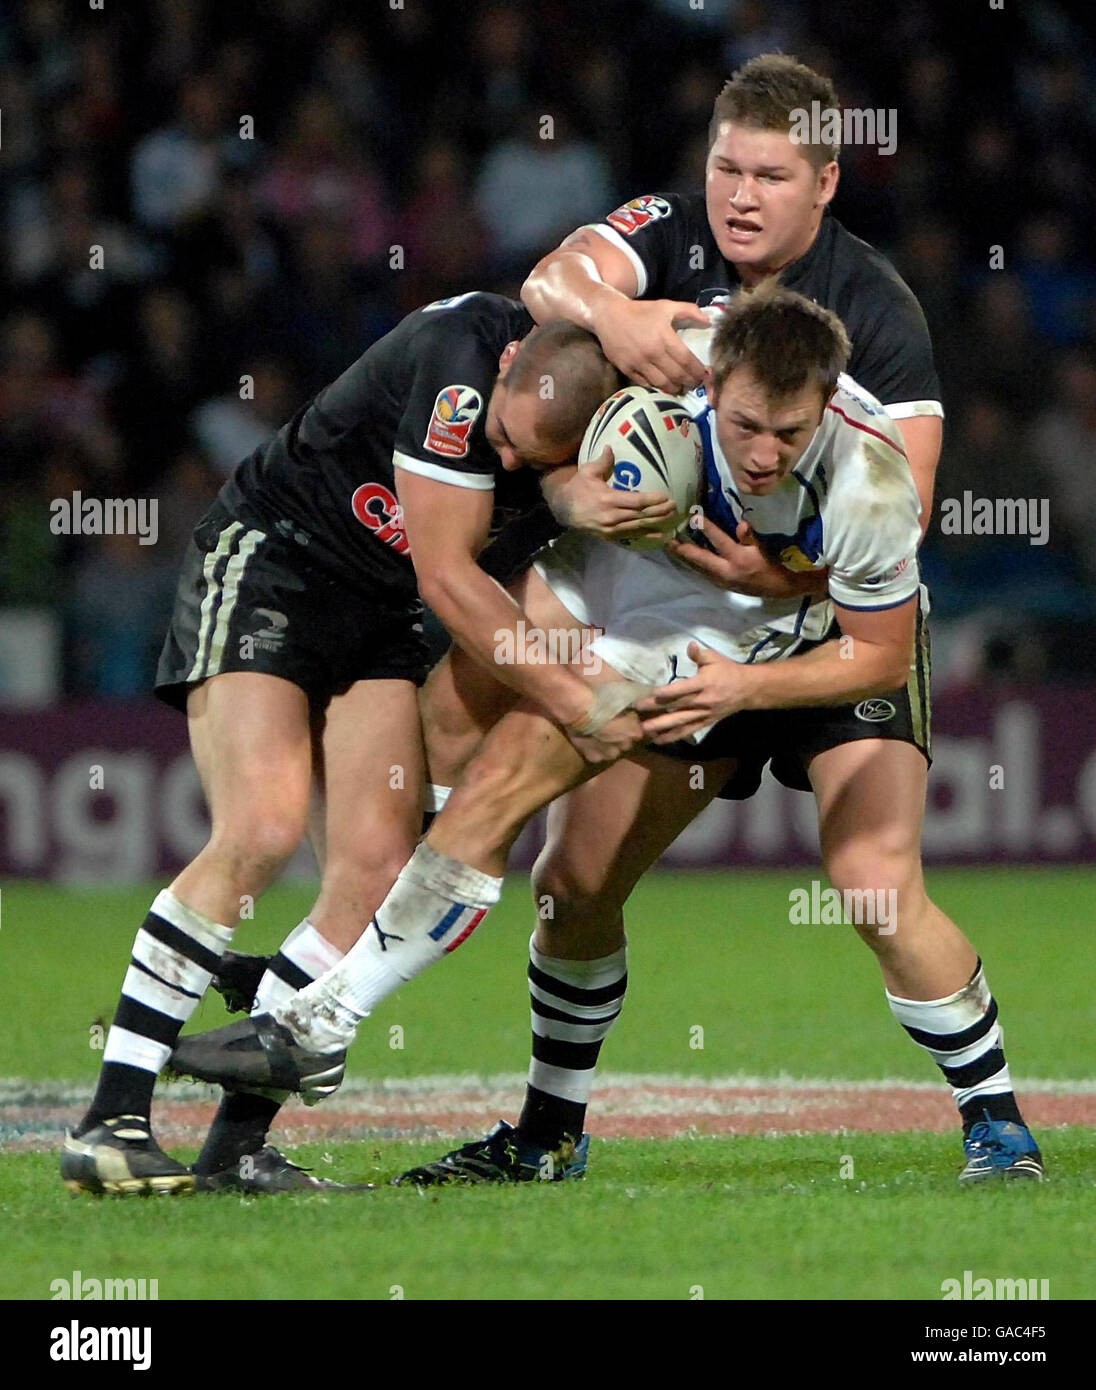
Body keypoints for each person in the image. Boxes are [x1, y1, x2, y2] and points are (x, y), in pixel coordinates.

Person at [171, 288, 1041, 1185]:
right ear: (712, 378)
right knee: (561, 867)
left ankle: (1001, 1130)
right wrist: (587, 394)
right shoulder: (664, 357)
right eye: (744, 426)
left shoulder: (871, 480)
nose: (762, 454)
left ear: (827, 403)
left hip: (827, 646)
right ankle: (535, 1131)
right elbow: (552, 299)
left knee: (874, 890)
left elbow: (878, 656)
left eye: (789, 434)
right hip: (671, 616)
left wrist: (744, 686)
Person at [60, 291, 641, 1196]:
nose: (511, 460)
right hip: (273, 564)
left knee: (375, 870)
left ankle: (236, 1150)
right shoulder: (459, 350)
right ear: (504, 370)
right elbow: (451, 579)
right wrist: (579, 694)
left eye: (534, 457)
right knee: (260, 826)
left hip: (377, 621)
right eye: (507, 437)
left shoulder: (577, 447)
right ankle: (112, 1121)